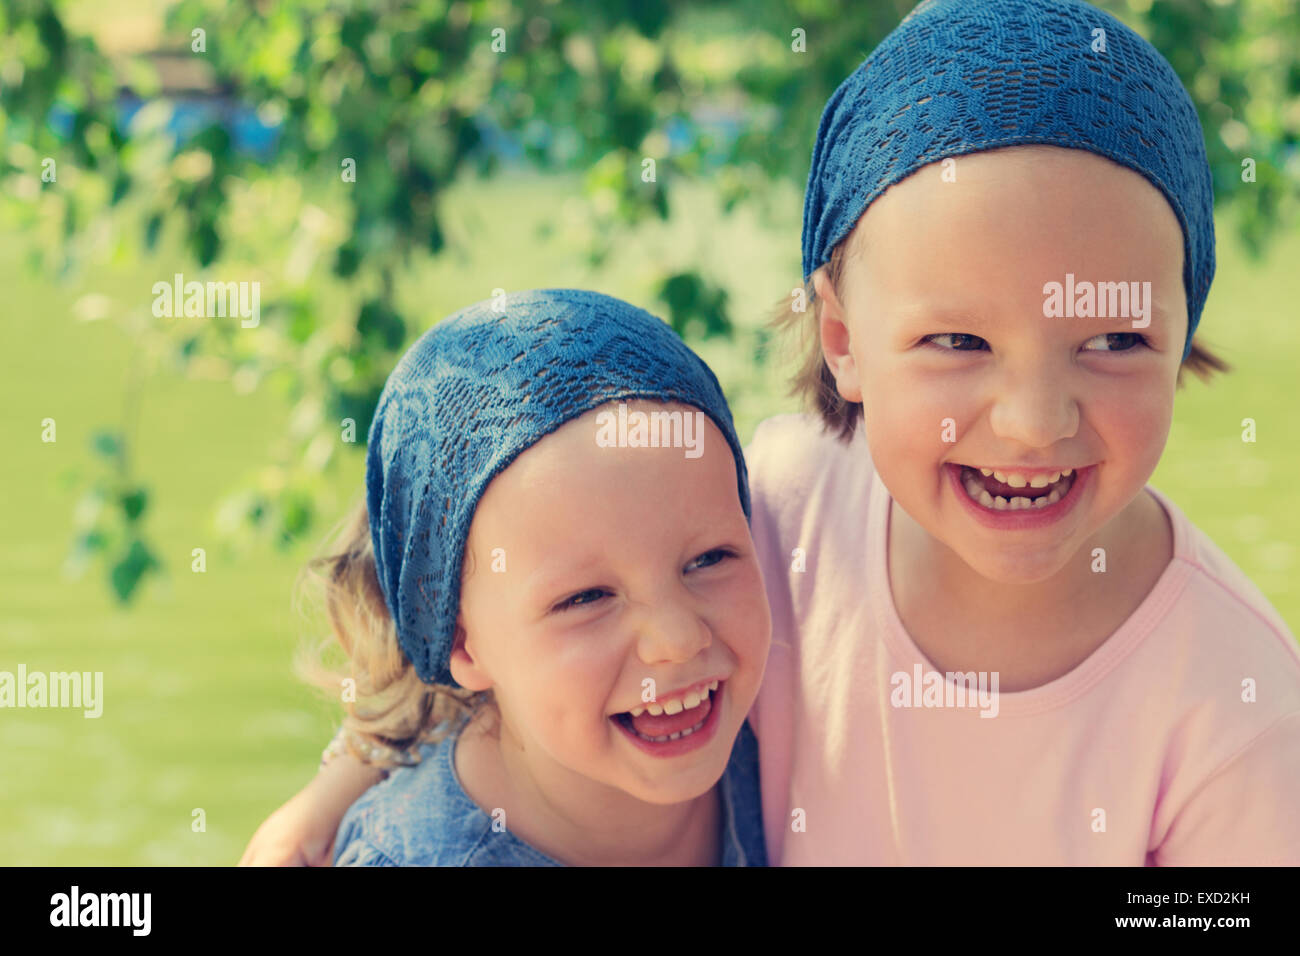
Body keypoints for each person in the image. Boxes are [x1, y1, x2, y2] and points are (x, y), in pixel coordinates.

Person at [242, 0, 1300, 866]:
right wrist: (340, 785)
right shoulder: (781, 510)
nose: (1031, 421)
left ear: (1182, 328)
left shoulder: (1236, 711)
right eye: (958, 339)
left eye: (1112, 337)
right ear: (841, 335)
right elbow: (519, 603)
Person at [245, 289, 770, 866]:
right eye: (586, 597)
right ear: (461, 641)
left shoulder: (780, 709)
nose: (677, 637)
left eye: (710, 559)